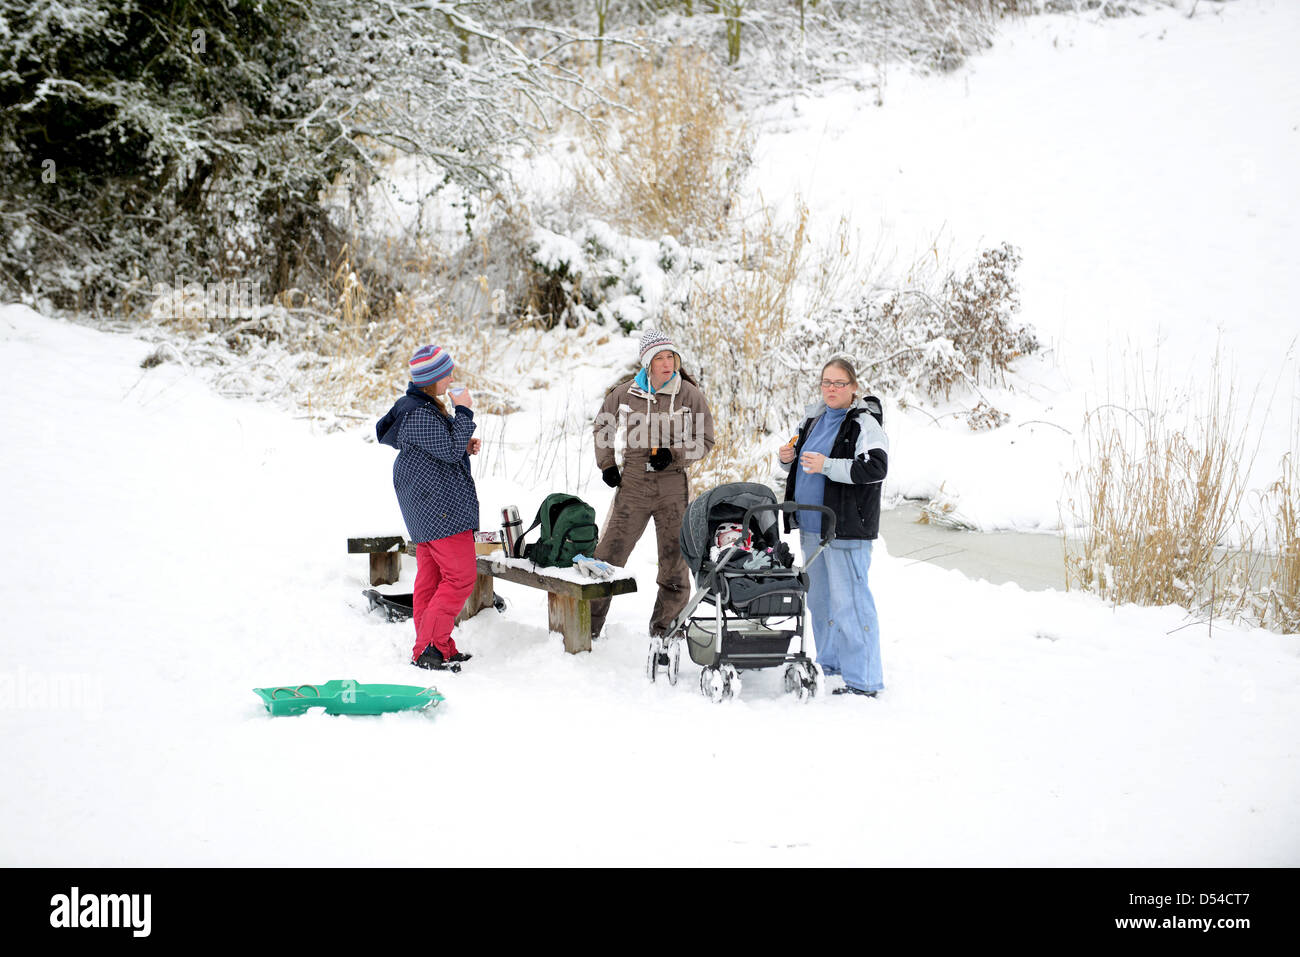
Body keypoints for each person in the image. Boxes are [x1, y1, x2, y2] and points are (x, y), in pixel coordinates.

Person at [591, 329, 715, 641]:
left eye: (670, 356)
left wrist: (674, 455)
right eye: (659, 357)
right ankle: (587, 626)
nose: (666, 363)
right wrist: (607, 464)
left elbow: (705, 441)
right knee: (607, 557)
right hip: (633, 483)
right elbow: (603, 425)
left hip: (672, 486)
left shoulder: (689, 395)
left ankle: (666, 630)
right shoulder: (625, 394)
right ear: (647, 362)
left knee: (675, 562)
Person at [778, 357, 888, 697]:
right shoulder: (812, 419)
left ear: (854, 388)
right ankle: (833, 664)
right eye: (826, 382)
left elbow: (875, 468)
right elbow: (799, 464)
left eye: (839, 383)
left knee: (851, 602)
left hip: (846, 529)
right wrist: (786, 459)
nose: (831, 389)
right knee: (822, 602)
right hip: (813, 527)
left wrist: (827, 466)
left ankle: (864, 680)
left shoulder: (864, 424)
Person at [375, 344, 483, 671]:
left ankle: (437, 646)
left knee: (432, 581)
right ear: (431, 380)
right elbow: (447, 452)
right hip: (441, 513)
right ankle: (429, 647)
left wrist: (463, 442)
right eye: (446, 374)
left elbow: (441, 449)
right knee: (462, 577)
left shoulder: (421, 409)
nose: (451, 377)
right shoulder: (419, 412)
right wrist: (464, 413)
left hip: (430, 511)